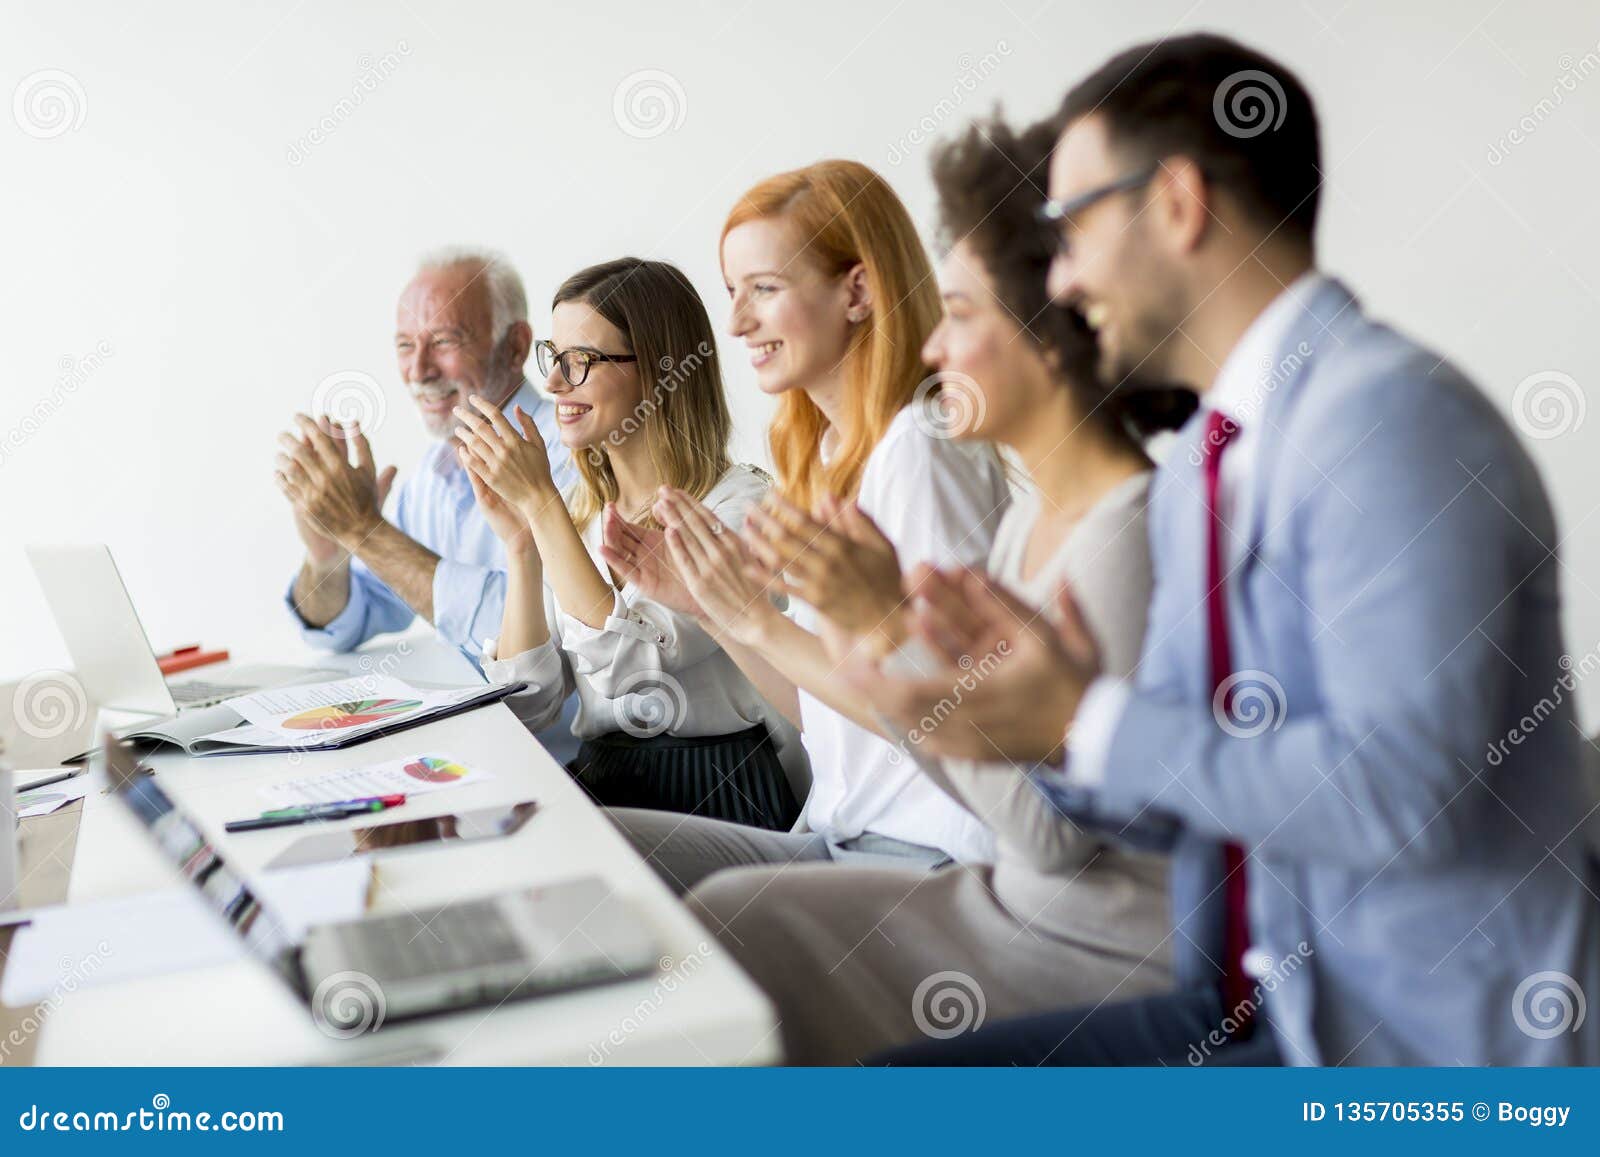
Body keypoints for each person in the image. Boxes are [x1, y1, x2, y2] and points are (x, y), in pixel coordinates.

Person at [852, 34, 1600, 1066]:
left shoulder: (1390, 421)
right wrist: (1040, 724)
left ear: (1175, 203)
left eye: (1070, 227)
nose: (1060, 279)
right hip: (1262, 1011)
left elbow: (1400, 796)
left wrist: (1090, 717)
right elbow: (1184, 803)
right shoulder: (1205, 471)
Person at [679, 117, 1199, 1064]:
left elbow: (1041, 834)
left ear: (1050, 333)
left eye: (959, 315)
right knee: (708, 914)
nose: (933, 349)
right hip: (998, 889)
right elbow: (986, 766)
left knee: (725, 928)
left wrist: (883, 636)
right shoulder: (1022, 526)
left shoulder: (1119, 538)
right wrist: (833, 634)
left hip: (1064, 933)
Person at [600, 159, 1010, 892]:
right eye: (733, 293)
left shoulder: (921, 447)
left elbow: (939, 711)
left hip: (927, 855)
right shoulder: (824, 455)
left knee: (699, 904)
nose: (736, 323)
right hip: (838, 833)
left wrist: (760, 623)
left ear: (856, 290)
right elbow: (832, 717)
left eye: (765, 289)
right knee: (591, 840)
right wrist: (722, 611)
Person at [454, 258, 806, 829]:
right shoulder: (578, 515)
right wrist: (522, 545)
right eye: (555, 357)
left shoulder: (740, 508)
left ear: (660, 370)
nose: (554, 384)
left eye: (582, 362)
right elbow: (529, 702)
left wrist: (543, 508)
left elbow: (632, 670)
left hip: (719, 790)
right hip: (605, 781)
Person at [275, 246, 579, 760]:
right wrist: (330, 556)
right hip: (475, 757)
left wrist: (365, 532)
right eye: (404, 345)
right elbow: (344, 624)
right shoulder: (432, 474)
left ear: (515, 346)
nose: (418, 369)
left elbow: (537, 638)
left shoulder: (573, 454)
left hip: (570, 770)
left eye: (443, 341)